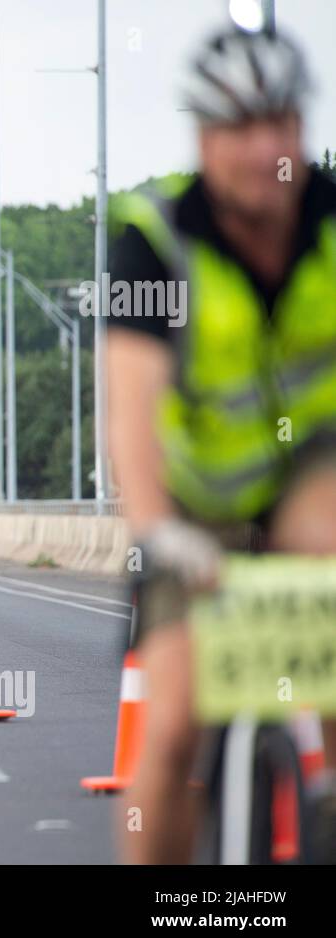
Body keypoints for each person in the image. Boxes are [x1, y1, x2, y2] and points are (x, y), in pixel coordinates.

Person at [106, 26, 336, 864]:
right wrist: (156, 527)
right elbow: (130, 411)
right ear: (205, 138)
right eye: (241, 127)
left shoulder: (330, 220)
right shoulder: (157, 239)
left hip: (312, 481)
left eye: (280, 123)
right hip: (192, 507)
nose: (265, 147)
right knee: (170, 730)